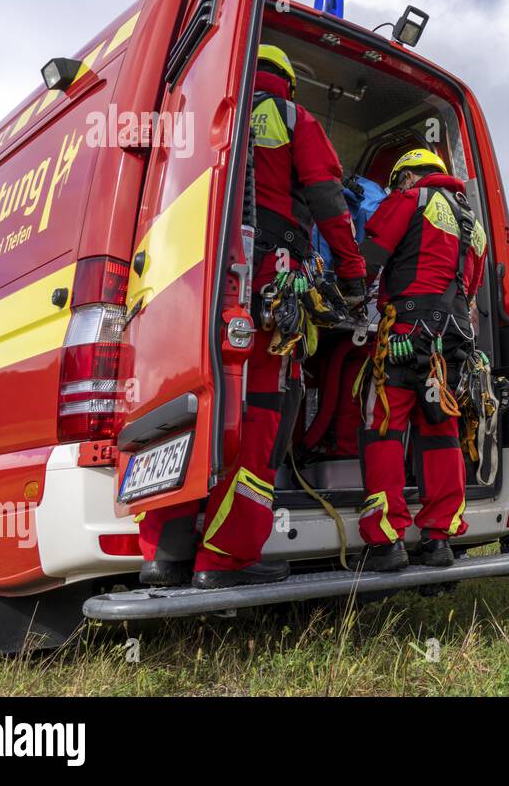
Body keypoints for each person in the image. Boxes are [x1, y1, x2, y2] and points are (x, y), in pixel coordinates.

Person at [138, 44, 367, 589]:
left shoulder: (198, 117)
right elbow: (327, 198)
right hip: (267, 279)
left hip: (189, 287)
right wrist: (353, 273)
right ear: (288, 81)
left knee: (183, 415)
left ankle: (164, 555)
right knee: (260, 414)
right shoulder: (292, 117)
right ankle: (226, 557)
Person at [355, 146, 487, 571]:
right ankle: (438, 539)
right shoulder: (476, 226)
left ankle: (386, 540)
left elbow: (370, 256)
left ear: (409, 177)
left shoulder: (411, 200)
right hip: (450, 346)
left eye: (397, 182)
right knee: (441, 432)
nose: (396, 189)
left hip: (404, 334)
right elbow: (469, 287)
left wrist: (348, 293)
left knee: (384, 427)